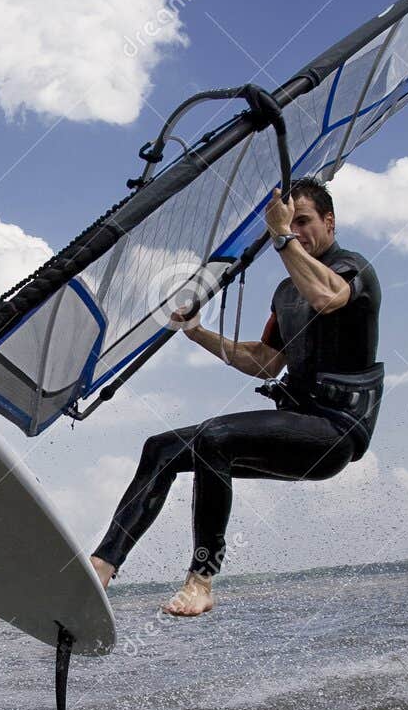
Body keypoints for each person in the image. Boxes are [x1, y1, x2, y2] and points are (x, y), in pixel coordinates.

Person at [89, 176, 385, 616]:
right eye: (286, 224)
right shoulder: (286, 293)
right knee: (162, 448)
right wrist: (198, 334)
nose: (296, 232)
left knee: (216, 437)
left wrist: (282, 237)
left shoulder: (351, 268)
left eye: (303, 221)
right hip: (298, 424)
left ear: (329, 221)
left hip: (335, 433)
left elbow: (326, 297)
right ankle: (100, 567)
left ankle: (201, 579)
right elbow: (264, 362)